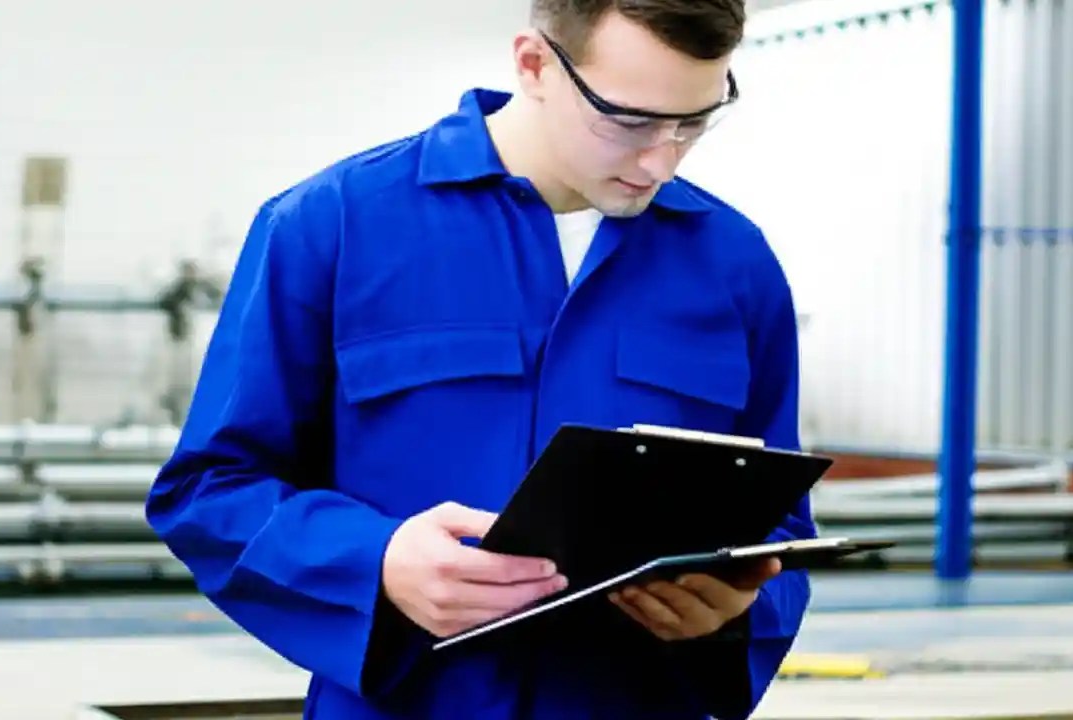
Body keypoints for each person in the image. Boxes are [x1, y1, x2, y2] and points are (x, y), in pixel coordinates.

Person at [145, 0, 816, 718]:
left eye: (693, 122)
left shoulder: (736, 266)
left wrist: (733, 611)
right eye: (628, 121)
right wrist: (376, 561)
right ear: (534, 63)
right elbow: (209, 492)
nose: (662, 159)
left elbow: (779, 530)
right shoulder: (332, 226)